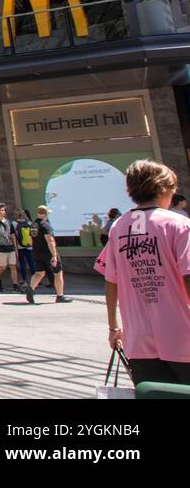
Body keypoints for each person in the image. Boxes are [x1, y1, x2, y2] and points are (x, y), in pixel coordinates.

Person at [96, 160, 190, 384]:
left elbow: (111, 280)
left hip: (138, 340)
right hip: (182, 336)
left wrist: (113, 326)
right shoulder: (179, 224)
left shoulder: (119, 227)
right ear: (164, 188)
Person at [25, 205, 71, 304]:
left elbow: (30, 239)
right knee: (58, 273)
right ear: (46, 214)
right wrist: (54, 255)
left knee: (39, 273)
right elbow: (50, 241)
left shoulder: (33, 225)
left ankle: (30, 288)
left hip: (36, 252)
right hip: (48, 253)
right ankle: (60, 296)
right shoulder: (45, 225)